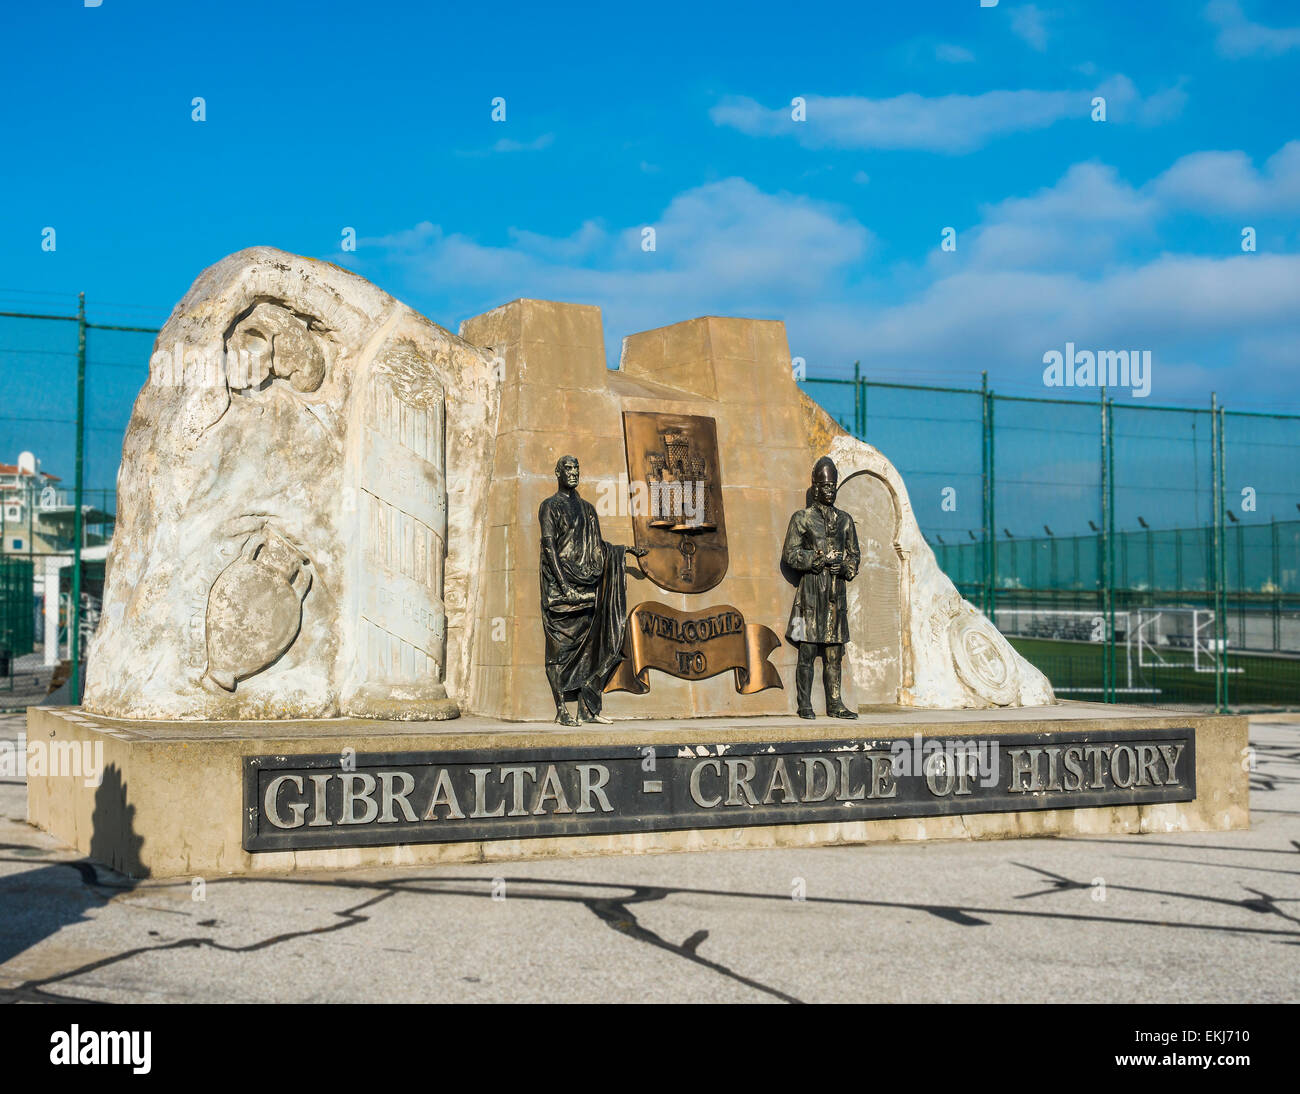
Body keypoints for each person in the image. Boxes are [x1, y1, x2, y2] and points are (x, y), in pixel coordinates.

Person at [539, 455, 648, 725]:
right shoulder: (549, 507)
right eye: (568, 468)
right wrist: (564, 586)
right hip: (559, 590)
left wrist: (625, 551)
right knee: (557, 650)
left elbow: (598, 546)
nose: (574, 472)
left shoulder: (588, 509)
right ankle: (561, 710)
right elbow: (549, 547)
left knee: (595, 644)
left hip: (586, 587)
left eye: (577, 468)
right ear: (558, 473)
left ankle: (587, 709)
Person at [782, 456, 861, 719]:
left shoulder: (846, 521)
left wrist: (845, 567)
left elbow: (854, 555)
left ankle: (836, 704)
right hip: (808, 596)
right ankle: (804, 704)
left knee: (834, 654)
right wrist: (815, 559)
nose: (831, 492)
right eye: (826, 487)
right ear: (816, 488)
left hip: (835, 596)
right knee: (806, 651)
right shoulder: (801, 518)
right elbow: (790, 554)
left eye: (833, 487)